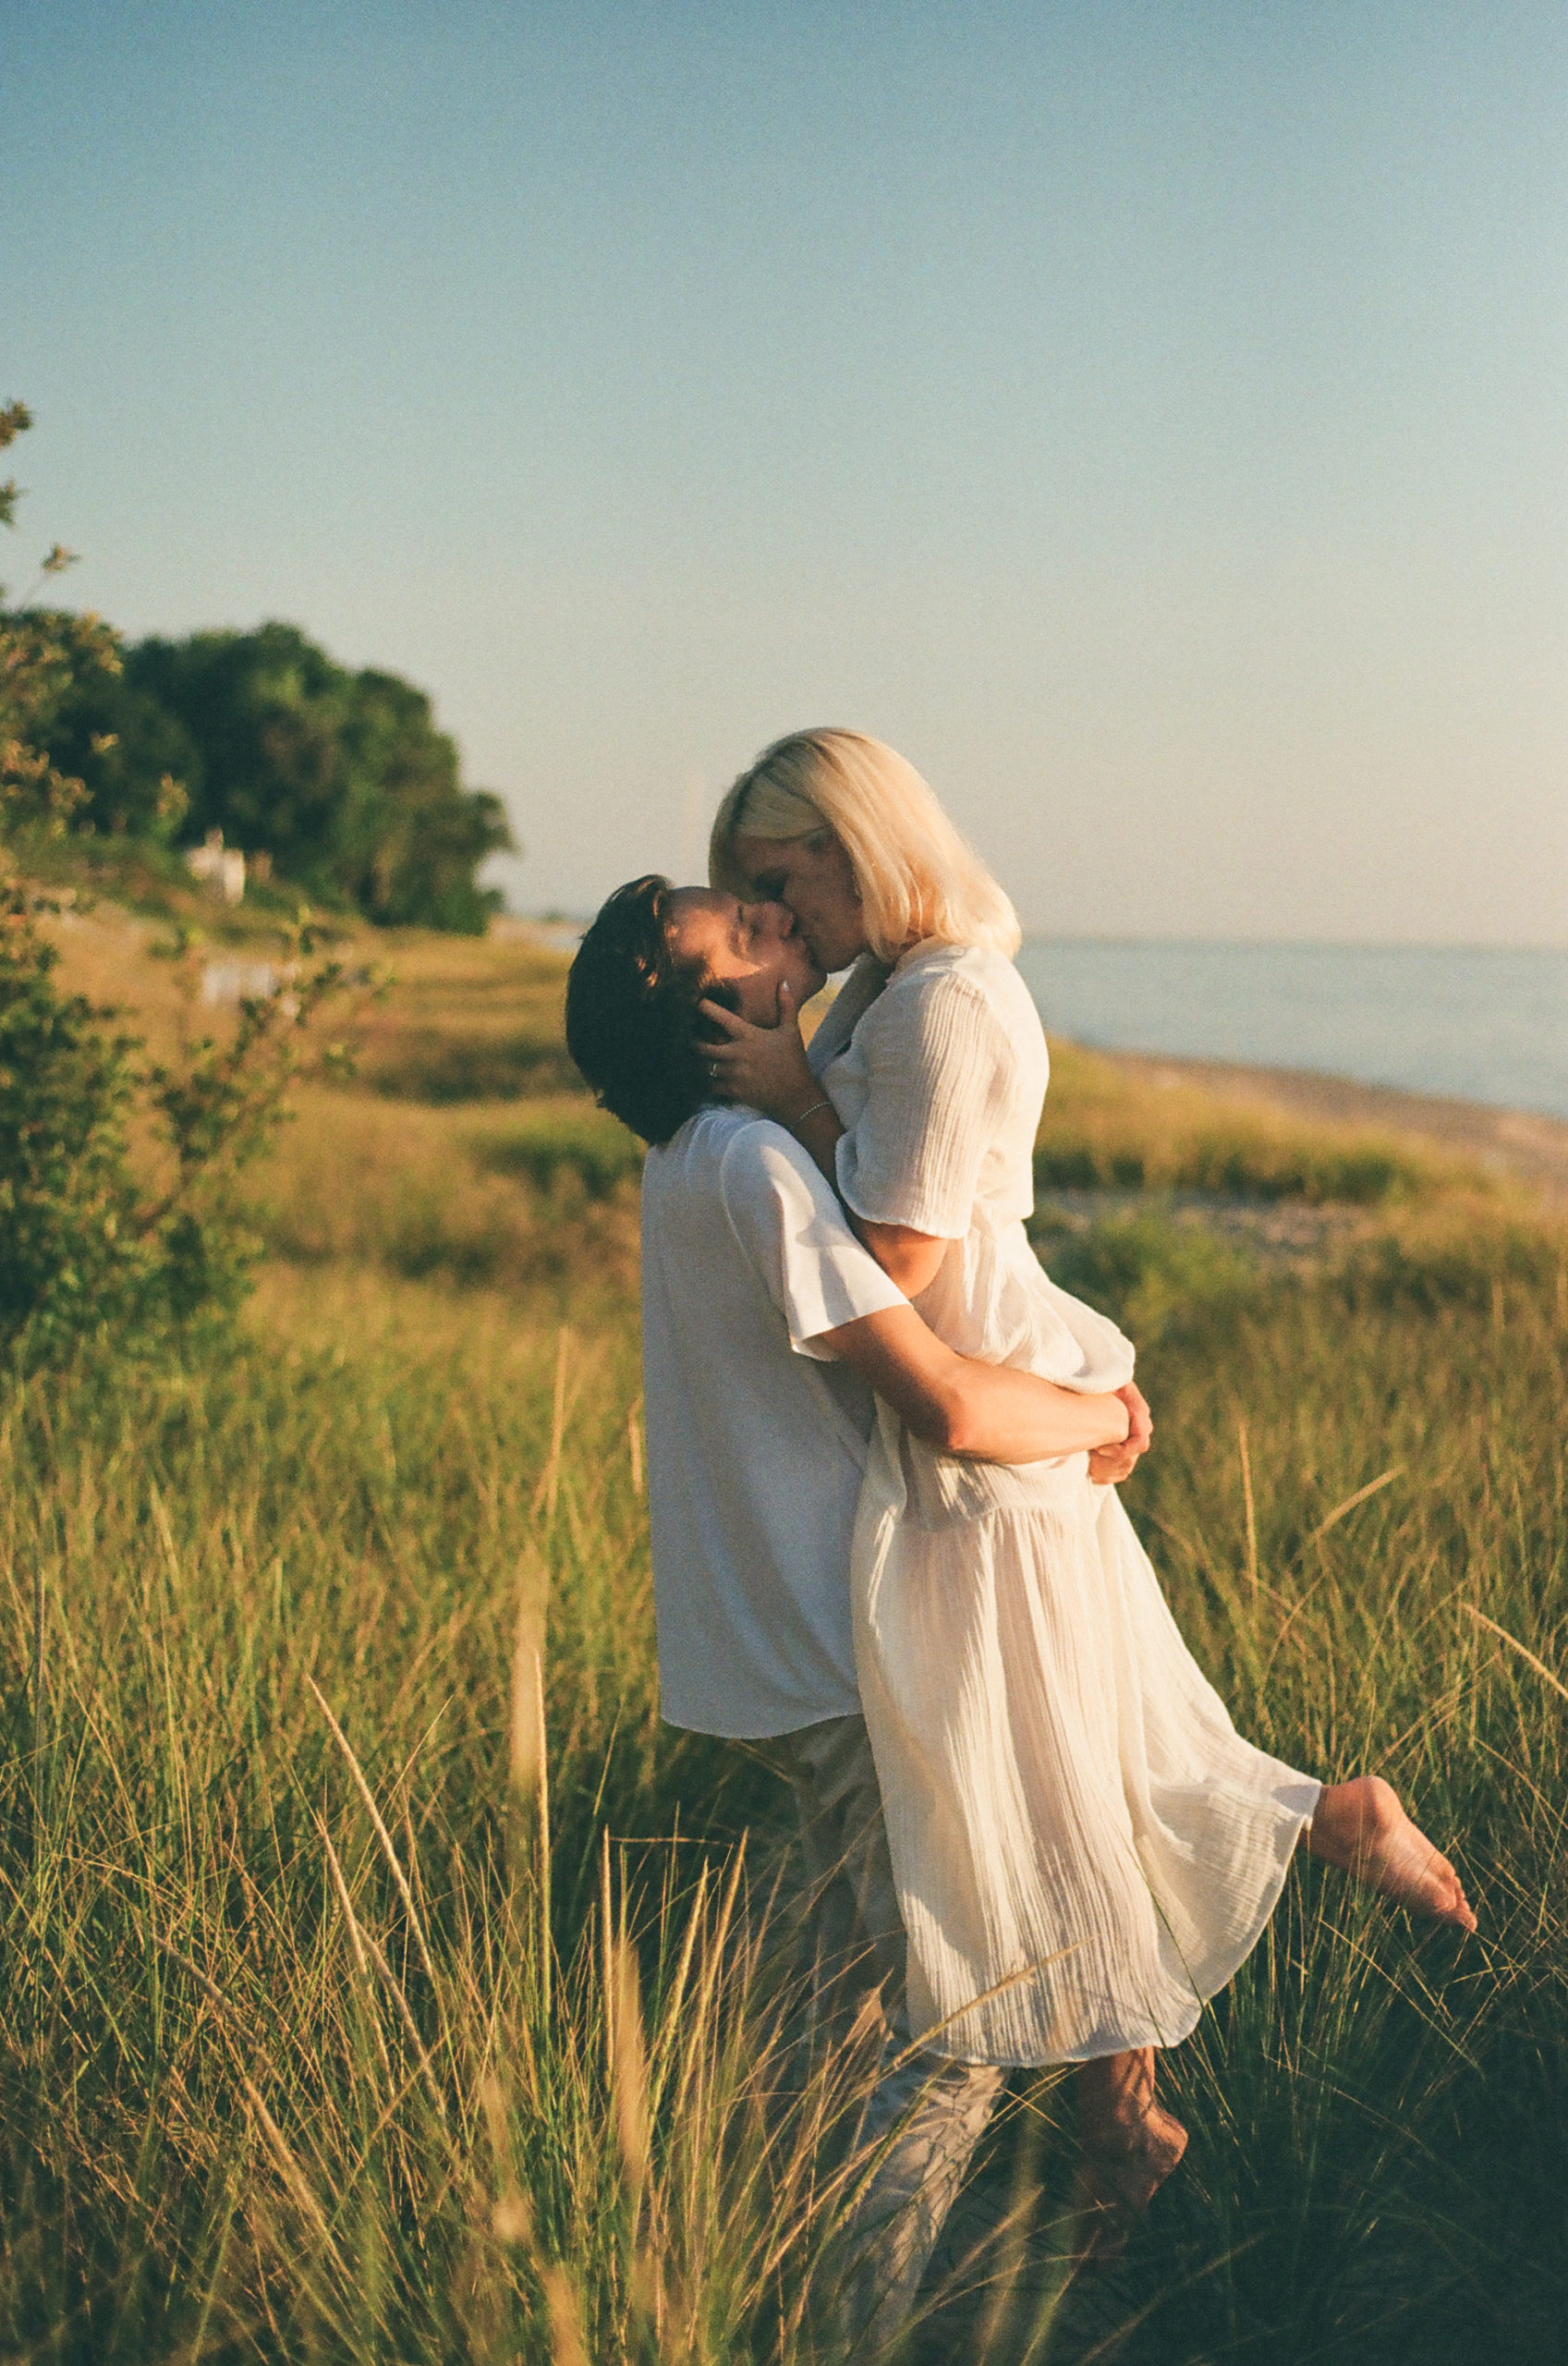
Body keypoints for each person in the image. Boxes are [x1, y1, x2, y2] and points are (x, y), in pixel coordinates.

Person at [702, 726, 1477, 2247]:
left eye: (777, 880)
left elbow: (902, 1264)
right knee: (1081, 1773)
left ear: (855, 841)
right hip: (983, 1444)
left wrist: (791, 1095)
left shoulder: (943, 1007)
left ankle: (1160, 2060)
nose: (771, 920)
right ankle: (1163, 2062)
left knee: (1046, 1796)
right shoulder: (899, 989)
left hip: (983, 1447)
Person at [564, 873, 1139, 2344]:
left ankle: (753, 2277)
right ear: (715, 1013)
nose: (773, 924)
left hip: (758, 1660)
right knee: (963, 2019)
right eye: (739, 938)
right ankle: (852, 2330)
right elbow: (944, 1397)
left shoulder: (685, 1164)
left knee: (839, 2014)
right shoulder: (754, 1166)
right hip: (841, 1658)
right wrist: (1094, 1408)